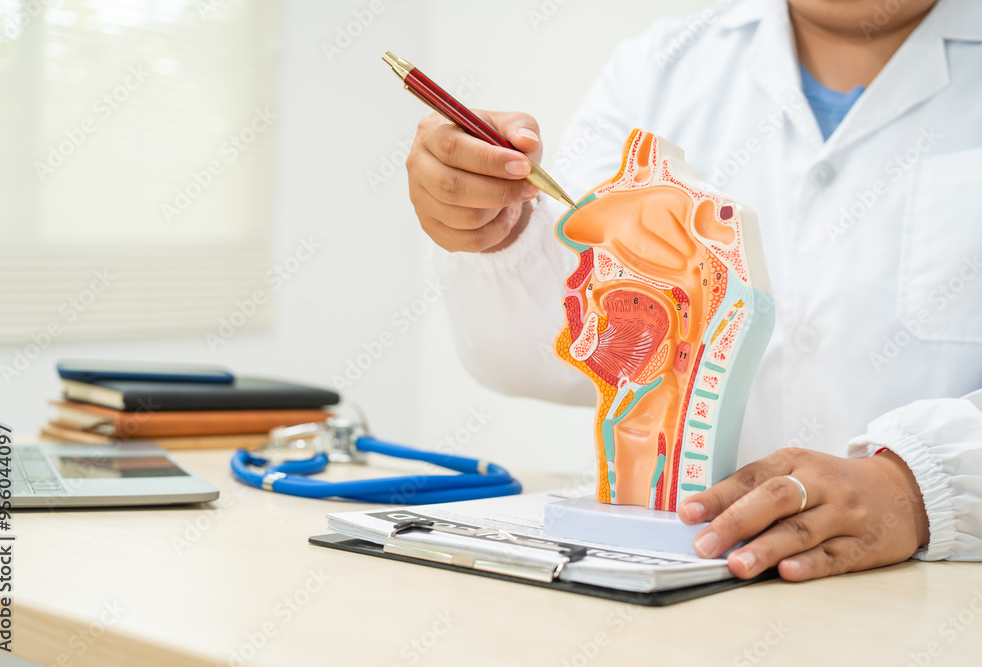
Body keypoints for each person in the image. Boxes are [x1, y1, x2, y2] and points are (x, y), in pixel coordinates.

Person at [404, 0, 982, 581]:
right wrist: (494, 229)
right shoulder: (659, 66)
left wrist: (920, 485)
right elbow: (541, 349)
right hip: (682, 577)